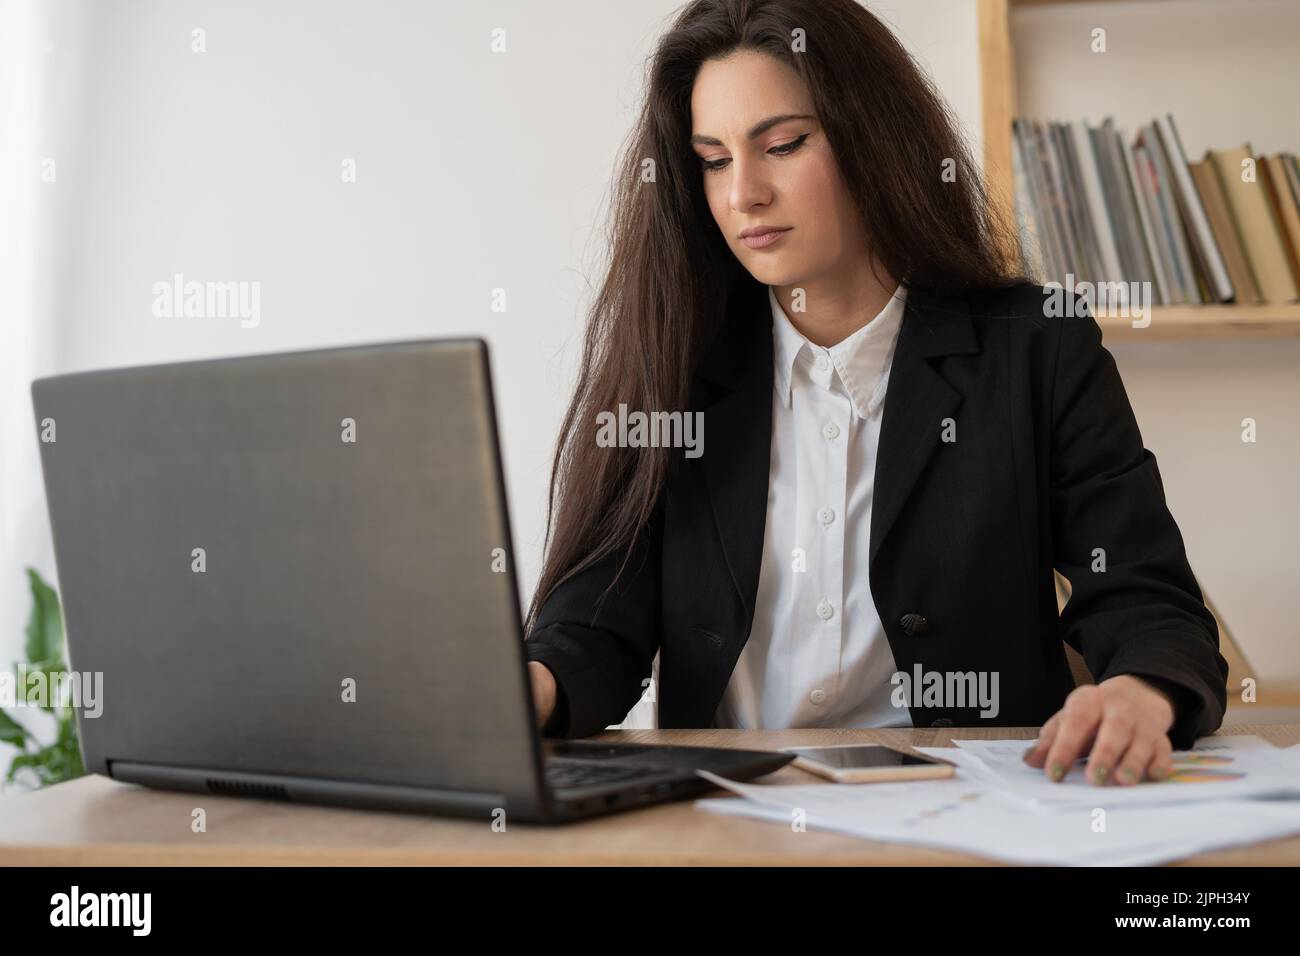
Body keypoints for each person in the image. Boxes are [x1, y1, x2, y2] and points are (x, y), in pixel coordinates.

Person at [523, 0, 1227, 787]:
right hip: (732, 811)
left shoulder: (1036, 345)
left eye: (782, 145)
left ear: (875, 140)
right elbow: (593, 624)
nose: (742, 193)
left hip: (975, 804)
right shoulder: (673, 364)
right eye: (714, 159)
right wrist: (533, 688)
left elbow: (1147, 597)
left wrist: (1139, 693)